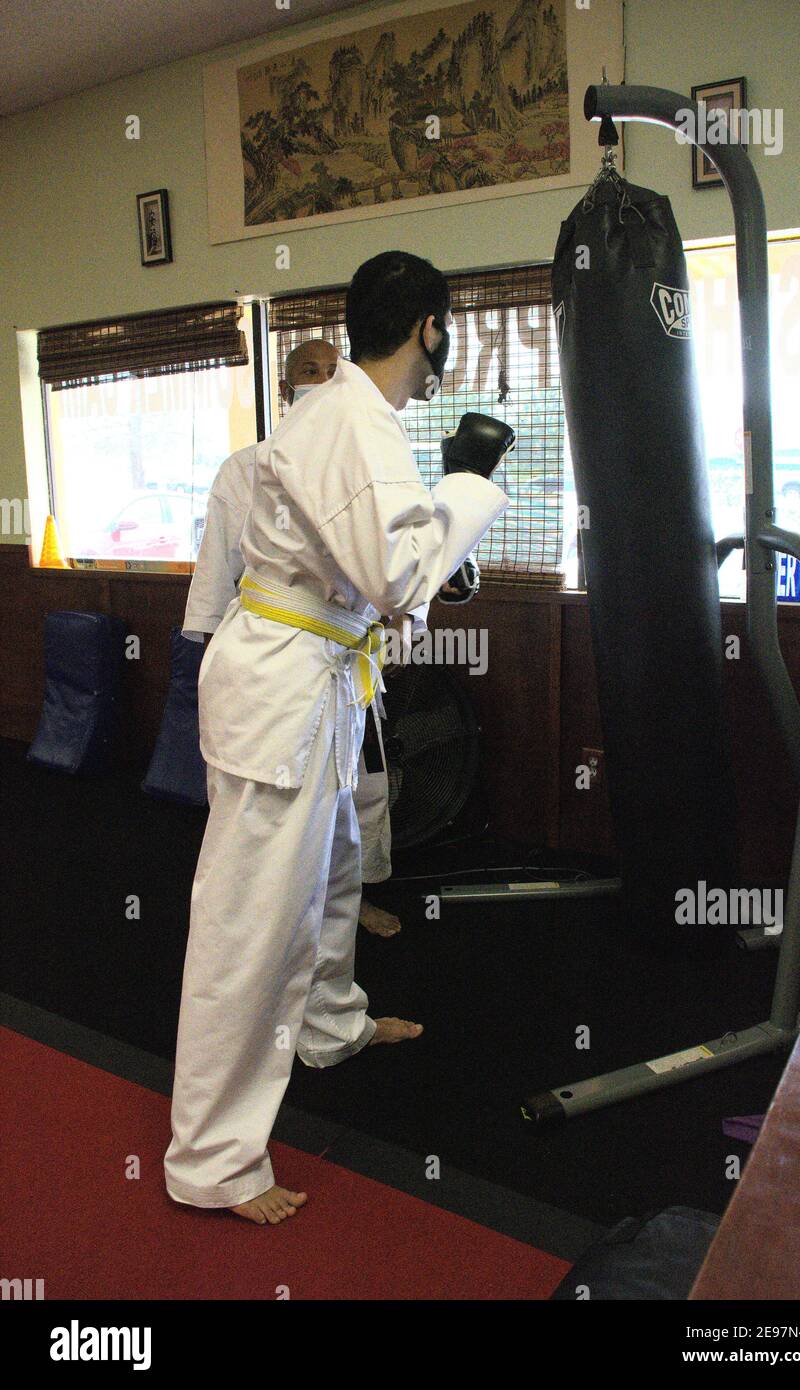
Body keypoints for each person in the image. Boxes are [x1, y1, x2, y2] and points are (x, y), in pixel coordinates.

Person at [164, 250, 512, 1226]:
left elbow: (377, 573)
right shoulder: (357, 424)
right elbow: (401, 578)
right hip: (283, 692)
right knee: (248, 926)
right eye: (444, 334)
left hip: (315, 683)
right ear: (428, 330)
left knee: (332, 879)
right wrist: (467, 493)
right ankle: (211, 1159)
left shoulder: (346, 417)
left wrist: (440, 525)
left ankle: (327, 1025)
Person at [182, 338, 400, 937]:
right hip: (271, 667)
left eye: (336, 373)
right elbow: (213, 587)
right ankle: (280, 931)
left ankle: (348, 906)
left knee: (356, 796)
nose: (324, 382)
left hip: (346, 661)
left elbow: (389, 569)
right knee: (275, 821)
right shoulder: (246, 470)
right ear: (286, 389)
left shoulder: (369, 469)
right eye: (310, 372)